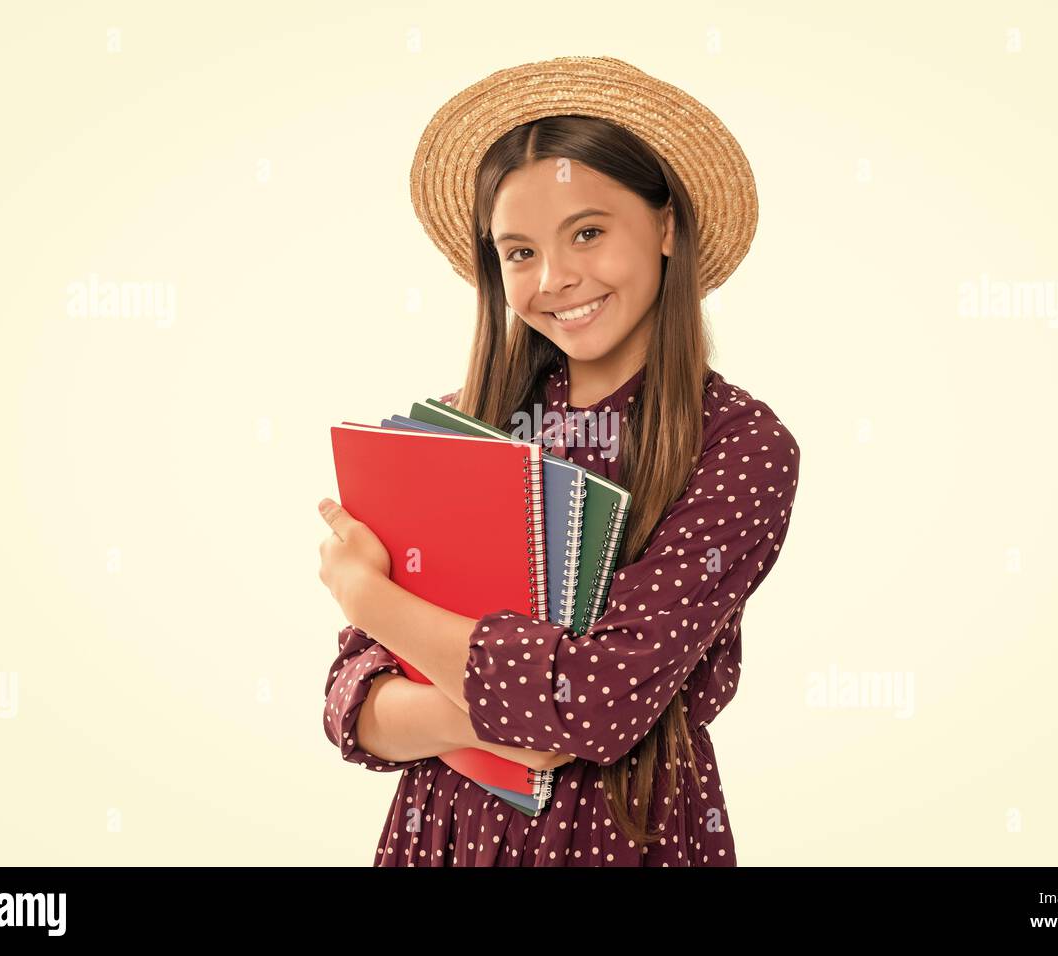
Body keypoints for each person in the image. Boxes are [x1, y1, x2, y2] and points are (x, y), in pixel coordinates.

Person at [317, 56, 800, 866]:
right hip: (440, 834)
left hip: (619, 835)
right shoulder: (465, 426)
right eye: (518, 252)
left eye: (588, 232)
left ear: (668, 226)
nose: (556, 279)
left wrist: (367, 593)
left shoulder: (739, 446)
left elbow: (597, 707)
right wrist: (497, 716)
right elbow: (351, 705)